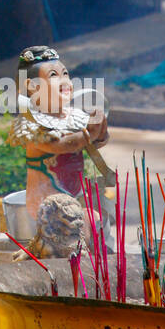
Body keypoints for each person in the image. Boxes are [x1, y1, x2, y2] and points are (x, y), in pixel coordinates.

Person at [8, 44, 110, 223]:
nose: (64, 80)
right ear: (32, 86)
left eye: (65, 74)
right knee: (82, 224)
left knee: (98, 220)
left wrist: (100, 126)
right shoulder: (31, 123)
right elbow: (62, 146)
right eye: (54, 75)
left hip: (75, 193)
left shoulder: (73, 115)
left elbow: (97, 142)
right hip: (47, 200)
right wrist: (90, 133)